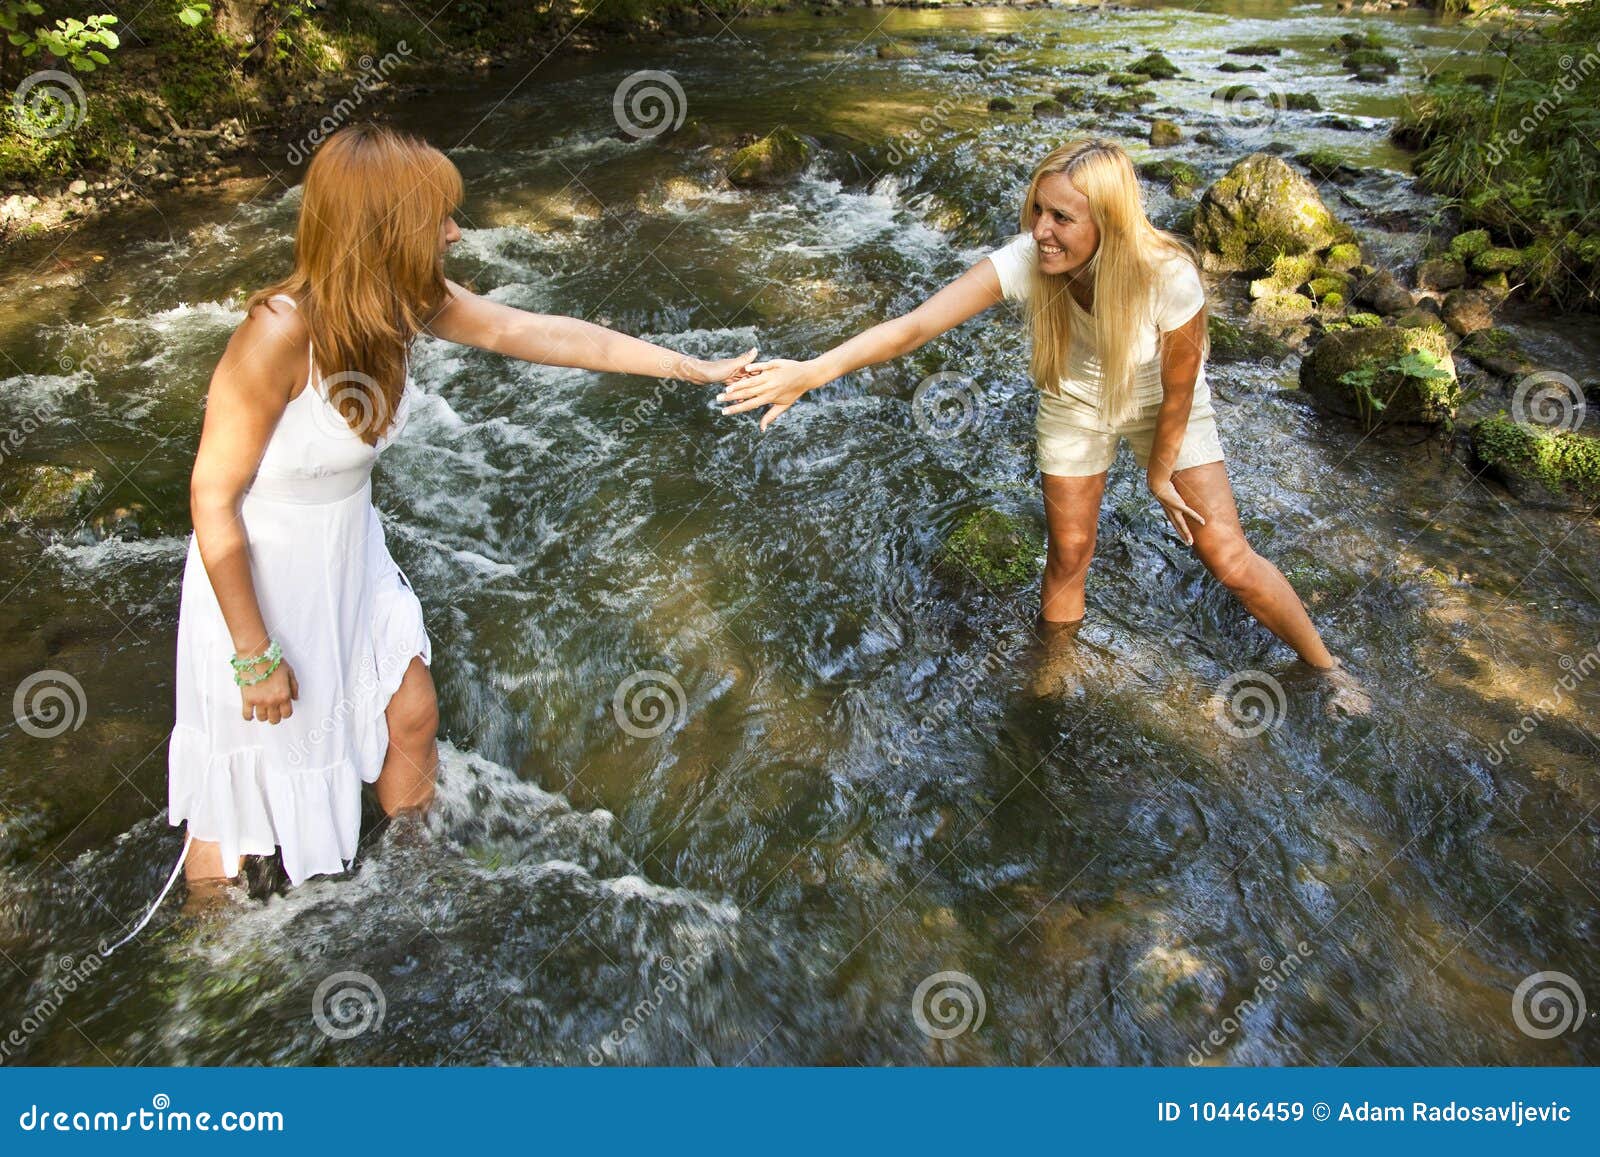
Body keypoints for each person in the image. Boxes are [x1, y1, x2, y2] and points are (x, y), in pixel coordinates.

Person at [162, 123, 755, 909]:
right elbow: (211, 497)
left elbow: (532, 332)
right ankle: (208, 940)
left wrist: (688, 366)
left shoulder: (405, 303)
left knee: (412, 711)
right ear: (383, 229)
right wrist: (252, 651)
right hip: (263, 574)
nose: (455, 231)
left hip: (350, 552)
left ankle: (411, 881)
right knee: (244, 787)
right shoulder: (276, 333)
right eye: (438, 216)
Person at [714, 138, 1367, 713]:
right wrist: (813, 371)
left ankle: (1328, 666)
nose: (1041, 229)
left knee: (1226, 557)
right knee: (1068, 556)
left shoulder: (1167, 273)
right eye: (1038, 210)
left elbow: (1178, 387)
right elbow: (914, 326)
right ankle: (1051, 679)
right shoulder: (1031, 257)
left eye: (1061, 217)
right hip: (1076, 402)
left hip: (1163, 404)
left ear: (1108, 222)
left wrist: (1160, 471)